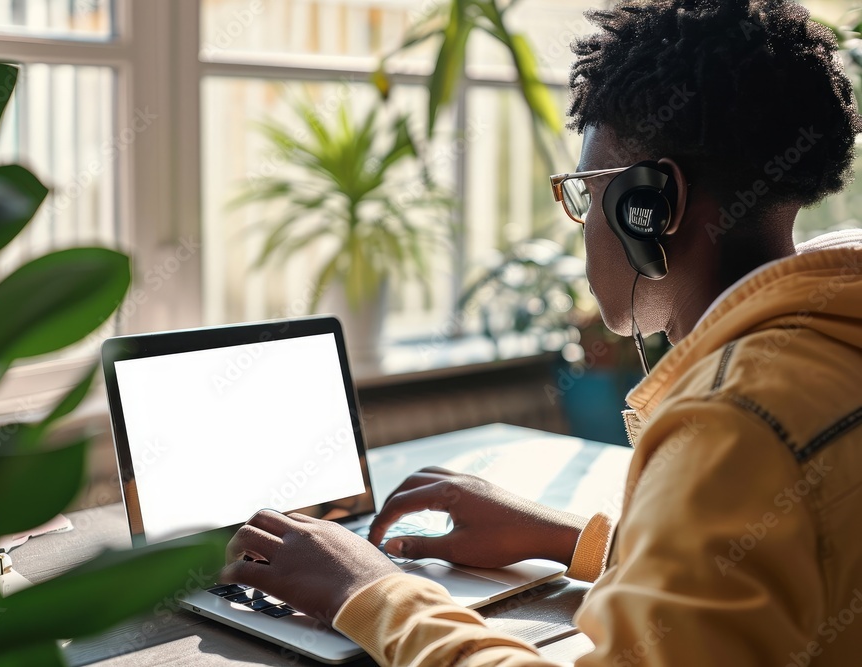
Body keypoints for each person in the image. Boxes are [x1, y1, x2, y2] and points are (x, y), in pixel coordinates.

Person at [220, 0, 862, 664]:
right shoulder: (834, 338)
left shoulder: (731, 424)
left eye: (584, 191)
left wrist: (369, 591)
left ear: (651, 205)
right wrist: (572, 539)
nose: (582, 223)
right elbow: (768, 574)